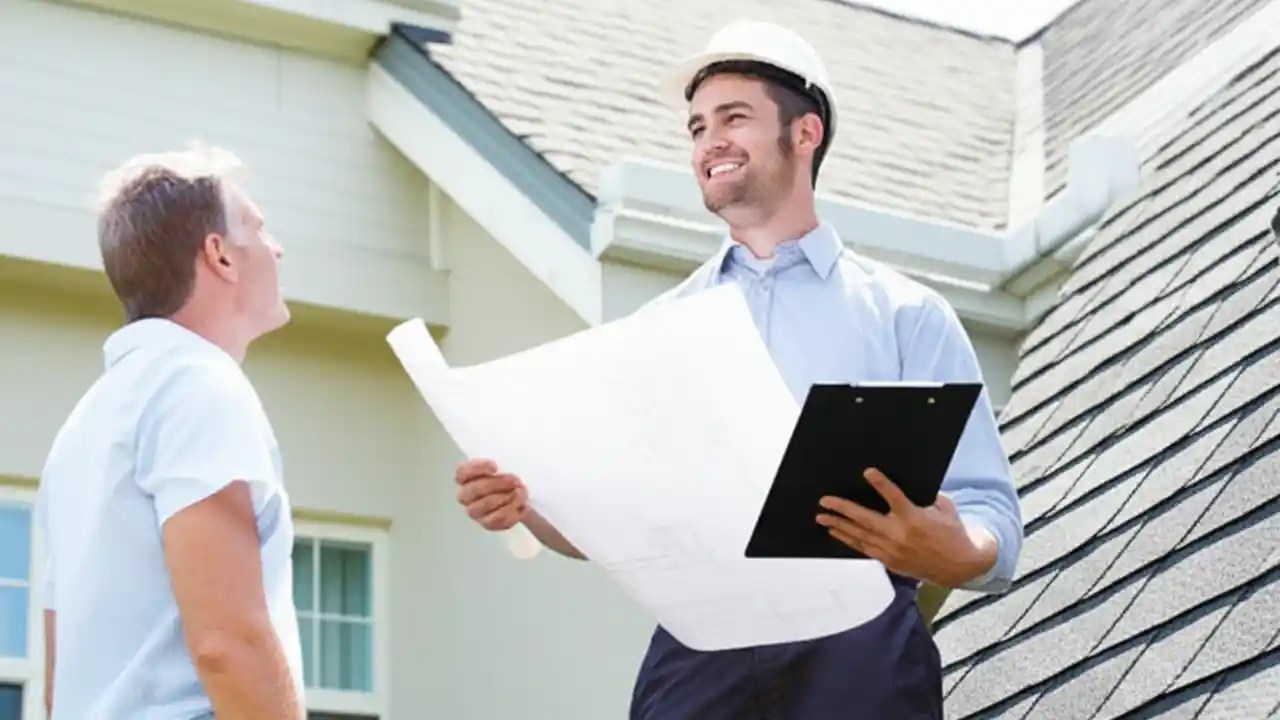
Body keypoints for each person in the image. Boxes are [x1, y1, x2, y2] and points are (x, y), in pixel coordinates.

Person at [454, 20, 1023, 719]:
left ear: (805, 133)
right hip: (702, 648)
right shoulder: (658, 331)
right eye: (696, 127)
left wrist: (954, 549)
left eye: (734, 117)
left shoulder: (907, 317)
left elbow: (994, 519)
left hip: (860, 641)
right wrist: (528, 507)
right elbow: (612, 522)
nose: (707, 141)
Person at [35, 145, 304, 720]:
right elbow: (227, 643)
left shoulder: (83, 427)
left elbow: (63, 673)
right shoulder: (199, 386)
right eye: (258, 229)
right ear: (220, 256)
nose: (277, 247)